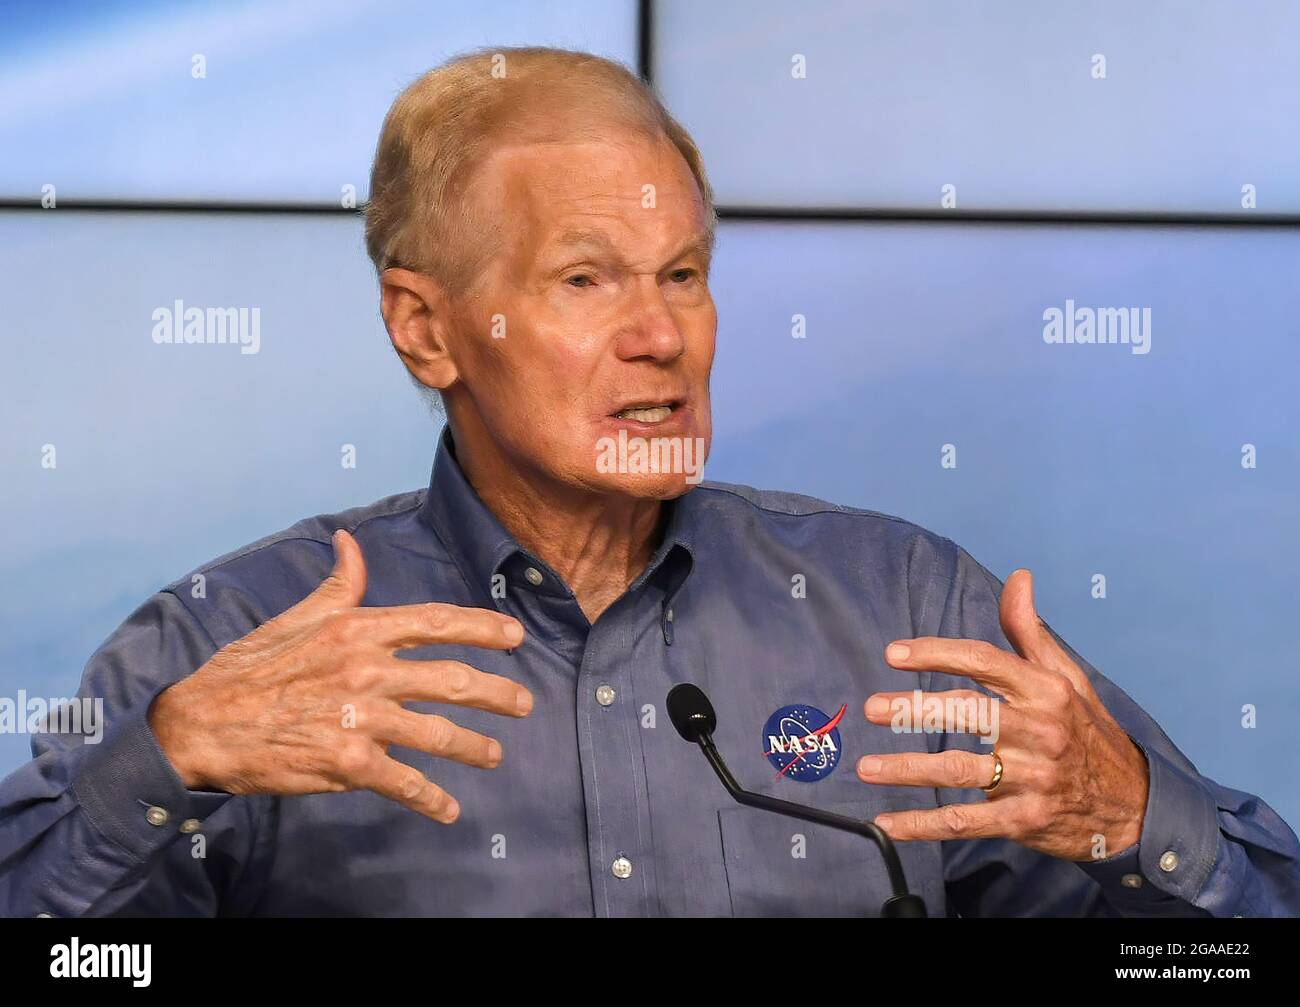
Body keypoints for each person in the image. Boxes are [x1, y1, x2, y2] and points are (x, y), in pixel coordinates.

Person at [2, 47, 1296, 917]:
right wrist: (163, 770)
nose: (663, 336)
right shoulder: (239, 645)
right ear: (427, 329)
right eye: (586, 280)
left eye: (681, 274)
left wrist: (1137, 818)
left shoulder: (904, 610)